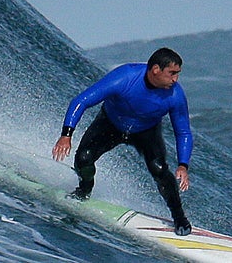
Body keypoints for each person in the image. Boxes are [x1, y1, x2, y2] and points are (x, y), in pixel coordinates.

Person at [52, 47, 194, 236]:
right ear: (156, 70)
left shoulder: (175, 95)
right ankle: (84, 190)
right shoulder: (126, 77)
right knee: (83, 159)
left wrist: (183, 165)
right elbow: (82, 100)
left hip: (146, 132)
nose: (175, 79)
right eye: (172, 73)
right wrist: (66, 135)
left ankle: (179, 218)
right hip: (110, 124)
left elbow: (183, 131)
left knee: (160, 170)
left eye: (178, 74)